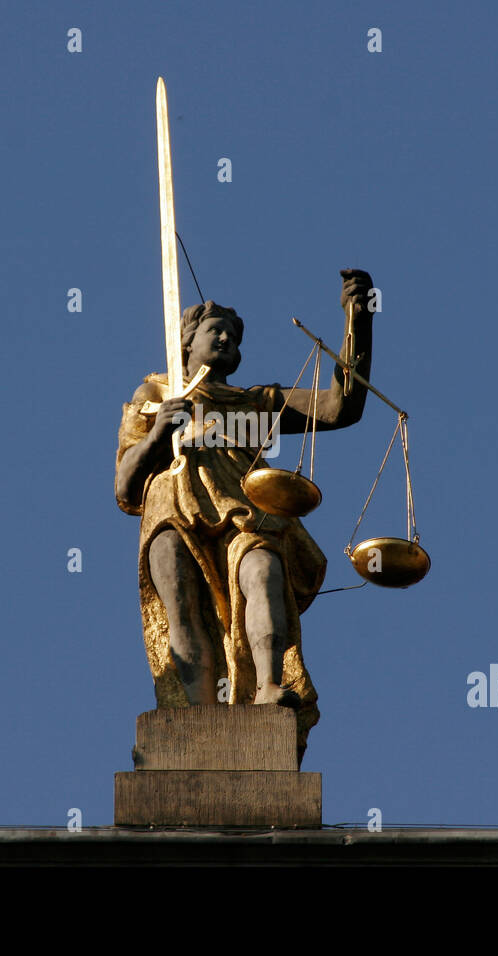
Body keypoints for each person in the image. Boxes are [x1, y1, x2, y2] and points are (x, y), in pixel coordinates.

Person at [114, 269, 375, 754]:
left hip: (245, 506)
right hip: (172, 503)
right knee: (182, 607)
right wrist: (156, 435)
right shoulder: (154, 396)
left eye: (235, 337)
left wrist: (358, 322)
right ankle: (197, 713)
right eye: (218, 331)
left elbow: (343, 407)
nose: (228, 340)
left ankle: (269, 686)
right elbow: (126, 488)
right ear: (186, 341)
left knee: (263, 572)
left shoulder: (256, 403)